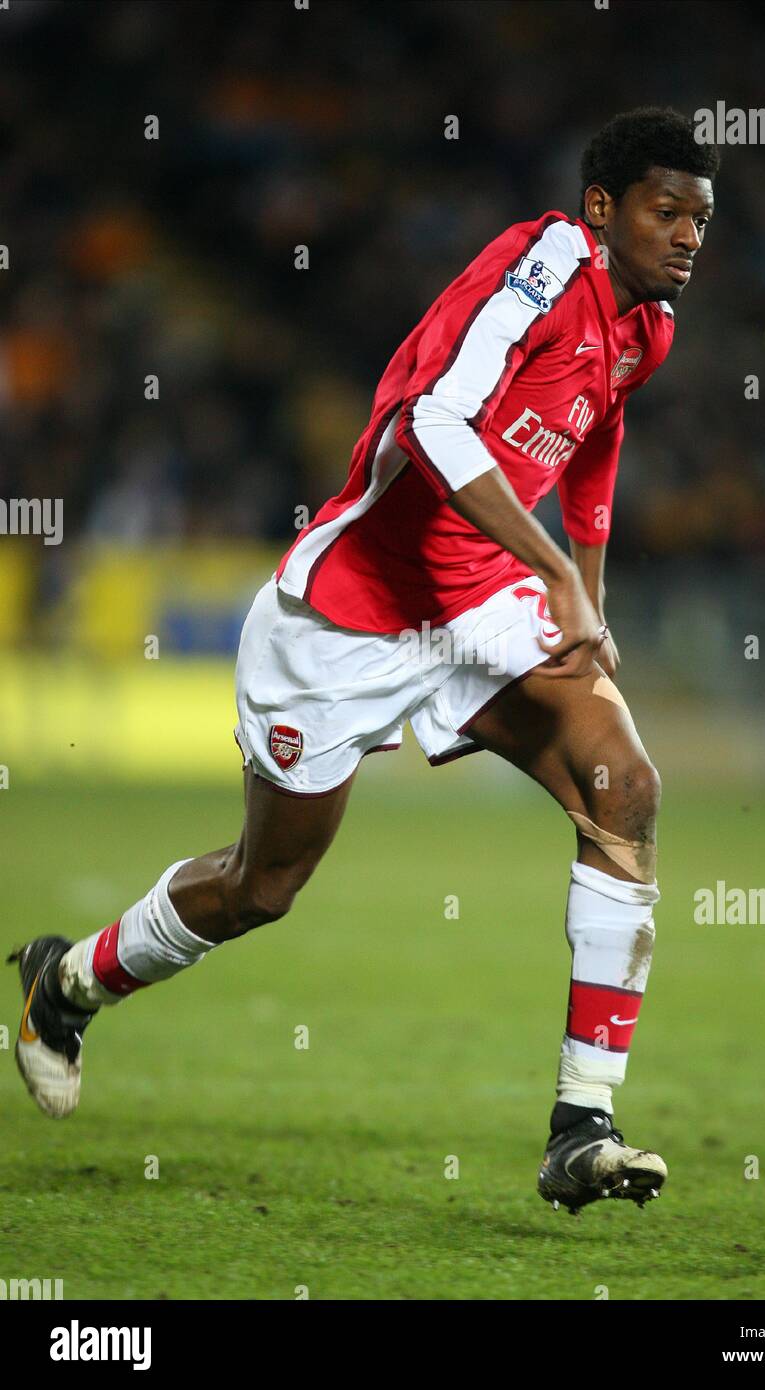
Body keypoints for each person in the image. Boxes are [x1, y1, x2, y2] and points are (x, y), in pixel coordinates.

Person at [10, 107, 717, 1216]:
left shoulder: (644, 330)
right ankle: (70, 982)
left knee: (623, 789)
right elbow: (432, 425)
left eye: (700, 219)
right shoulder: (540, 264)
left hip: (481, 598)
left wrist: (587, 590)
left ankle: (582, 1123)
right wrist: (557, 569)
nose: (686, 236)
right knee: (264, 884)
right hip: (351, 609)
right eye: (665, 211)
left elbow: (594, 445)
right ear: (600, 210)